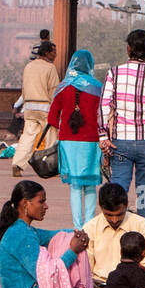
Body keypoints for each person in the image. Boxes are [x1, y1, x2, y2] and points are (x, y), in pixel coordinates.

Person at [0, 180, 96, 288]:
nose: (46, 206)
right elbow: (47, 274)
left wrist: (77, 234)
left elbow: (53, 235)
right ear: (25, 203)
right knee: (68, 244)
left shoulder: (24, 229)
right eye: (41, 202)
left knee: (65, 237)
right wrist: (73, 251)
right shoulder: (20, 234)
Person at [99, 29, 145, 225]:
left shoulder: (114, 73)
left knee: (118, 187)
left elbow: (104, 106)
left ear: (128, 48)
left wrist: (103, 137)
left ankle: (114, 227)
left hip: (121, 141)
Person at [46, 49, 103, 227]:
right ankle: (90, 225)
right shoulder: (97, 88)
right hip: (91, 141)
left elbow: (52, 118)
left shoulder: (63, 87)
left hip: (68, 141)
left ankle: (78, 227)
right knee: (91, 183)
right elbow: (103, 115)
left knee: (75, 186)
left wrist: (66, 127)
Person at [82, 182, 145, 286]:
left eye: (119, 214)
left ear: (126, 205)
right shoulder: (90, 228)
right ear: (101, 207)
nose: (114, 220)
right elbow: (86, 267)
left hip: (134, 284)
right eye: (109, 215)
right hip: (101, 284)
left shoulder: (142, 225)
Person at [12, 41, 59, 178]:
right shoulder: (50, 68)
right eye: (53, 52)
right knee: (51, 136)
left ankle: (18, 164)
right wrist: (56, 109)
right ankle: (50, 165)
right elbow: (54, 90)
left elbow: (24, 89)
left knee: (27, 137)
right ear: (46, 53)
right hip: (45, 107)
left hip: (30, 107)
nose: (55, 55)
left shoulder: (29, 66)